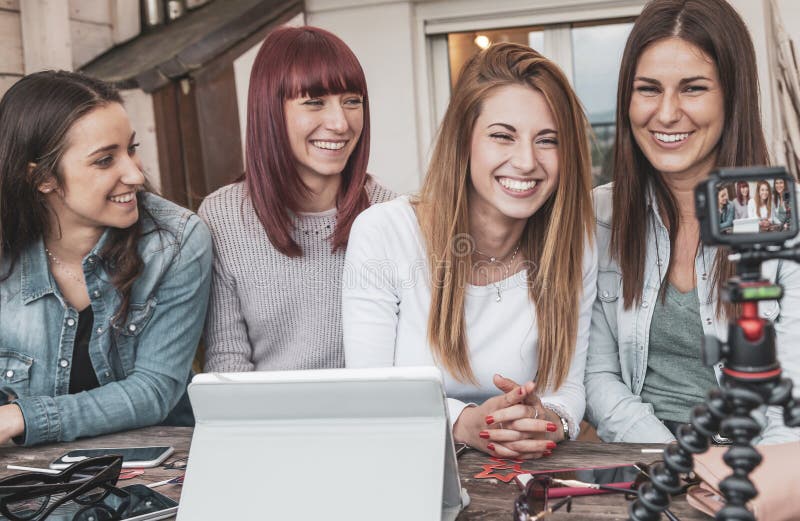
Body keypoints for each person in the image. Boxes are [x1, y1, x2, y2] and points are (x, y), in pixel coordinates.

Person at [343, 43, 597, 459]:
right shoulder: (384, 233)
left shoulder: (574, 242)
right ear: (464, 141)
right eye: (502, 136)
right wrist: (463, 423)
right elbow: (370, 396)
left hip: (519, 472)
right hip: (402, 463)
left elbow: (565, 387)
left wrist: (548, 418)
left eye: (547, 140)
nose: (527, 161)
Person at [586, 0, 800, 444]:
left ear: (732, 95)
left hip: (757, 461)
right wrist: (675, 461)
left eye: (693, 88)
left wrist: (738, 477)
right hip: (644, 457)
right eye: (648, 89)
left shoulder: (788, 218)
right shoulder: (598, 217)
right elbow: (599, 374)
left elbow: (792, 394)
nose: (665, 113)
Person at [0, 71, 212, 446]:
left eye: (131, 148)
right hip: (25, 478)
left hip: (156, 470)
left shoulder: (176, 242)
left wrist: (24, 417)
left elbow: (154, 390)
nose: (134, 174)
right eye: (104, 160)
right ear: (42, 179)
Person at [200, 26, 394, 373]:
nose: (340, 123)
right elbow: (227, 363)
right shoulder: (223, 216)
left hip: (368, 418)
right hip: (267, 420)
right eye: (314, 103)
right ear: (269, 110)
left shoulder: (391, 214)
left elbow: (403, 361)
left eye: (352, 101)